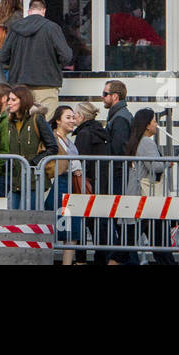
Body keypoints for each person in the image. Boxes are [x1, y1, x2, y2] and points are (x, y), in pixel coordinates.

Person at [0, 0, 72, 119]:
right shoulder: (52, 28)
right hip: (46, 85)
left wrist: (15, 65)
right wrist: (54, 64)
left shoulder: (14, 28)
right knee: (46, 126)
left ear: (29, 12)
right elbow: (66, 56)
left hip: (19, 87)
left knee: (20, 126)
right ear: (43, 11)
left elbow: (3, 57)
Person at [126, 108, 175, 264]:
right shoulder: (147, 142)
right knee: (160, 244)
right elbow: (154, 166)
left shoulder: (138, 140)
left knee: (132, 241)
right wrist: (168, 162)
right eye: (154, 122)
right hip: (148, 198)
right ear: (147, 125)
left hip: (141, 198)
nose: (156, 125)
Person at [101, 79, 139, 264]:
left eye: (105, 94)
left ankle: (124, 260)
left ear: (114, 96)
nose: (102, 97)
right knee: (122, 223)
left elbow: (119, 149)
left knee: (120, 222)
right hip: (118, 174)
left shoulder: (120, 118)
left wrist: (112, 172)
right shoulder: (119, 115)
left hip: (118, 175)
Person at [2, 85, 57, 208]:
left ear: (23, 100)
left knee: (29, 218)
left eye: (13, 100)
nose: (9, 103)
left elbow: (52, 147)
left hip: (34, 179)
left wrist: (33, 161)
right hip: (14, 179)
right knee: (13, 218)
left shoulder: (37, 119)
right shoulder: (9, 122)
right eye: (9, 99)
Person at [73, 100, 111, 264]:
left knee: (82, 223)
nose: (74, 117)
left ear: (81, 116)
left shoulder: (84, 134)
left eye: (75, 114)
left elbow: (81, 161)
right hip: (100, 183)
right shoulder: (100, 132)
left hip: (86, 185)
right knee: (97, 225)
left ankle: (81, 259)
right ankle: (100, 258)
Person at [44, 104, 82, 265]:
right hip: (57, 185)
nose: (72, 121)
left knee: (72, 228)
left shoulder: (68, 141)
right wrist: (75, 167)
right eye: (68, 117)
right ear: (58, 120)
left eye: (73, 117)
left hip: (69, 185)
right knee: (53, 224)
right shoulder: (53, 139)